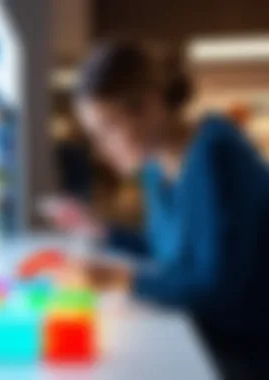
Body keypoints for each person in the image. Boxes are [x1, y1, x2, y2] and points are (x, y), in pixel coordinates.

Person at [69, 41, 269, 380]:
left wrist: (121, 279)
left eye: (108, 129)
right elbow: (169, 251)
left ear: (149, 107)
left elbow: (213, 289)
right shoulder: (155, 168)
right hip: (205, 337)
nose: (101, 149)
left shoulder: (214, 152)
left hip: (245, 354)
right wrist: (106, 234)